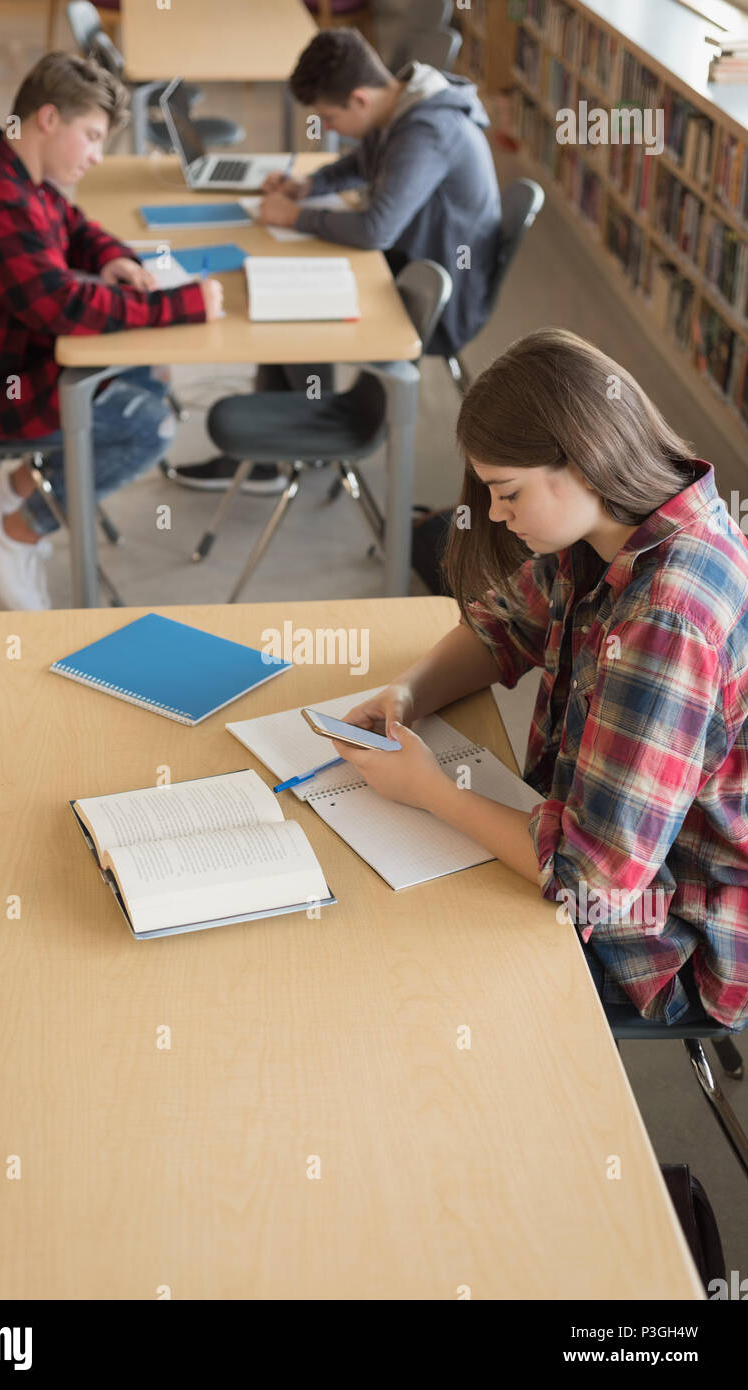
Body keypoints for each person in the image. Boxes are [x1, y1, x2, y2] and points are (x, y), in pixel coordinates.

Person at [334, 328, 748, 1031]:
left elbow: (587, 882)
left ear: (584, 464)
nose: (493, 514)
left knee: (392, 970)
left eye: (507, 492)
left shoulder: (664, 620)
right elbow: (502, 627)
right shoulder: (608, 527)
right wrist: (408, 692)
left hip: (675, 934)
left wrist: (430, 791)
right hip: (586, 839)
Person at [0, 51, 223, 610]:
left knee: (148, 372)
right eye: (92, 137)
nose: (96, 157)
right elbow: (63, 307)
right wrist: (184, 304)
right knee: (150, 425)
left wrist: (116, 259)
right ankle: (16, 531)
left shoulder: (5, 163)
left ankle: (17, 489)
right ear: (48, 120)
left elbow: (73, 228)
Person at [170, 25, 500, 493]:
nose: (324, 129)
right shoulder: (399, 99)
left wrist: (296, 215)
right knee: (285, 282)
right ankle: (274, 451)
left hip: (439, 295)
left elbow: (374, 229)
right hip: (411, 257)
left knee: (297, 304)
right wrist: (310, 187)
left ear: (360, 99)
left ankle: (299, 442)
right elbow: (359, 164)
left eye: (327, 118)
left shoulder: (429, 129)